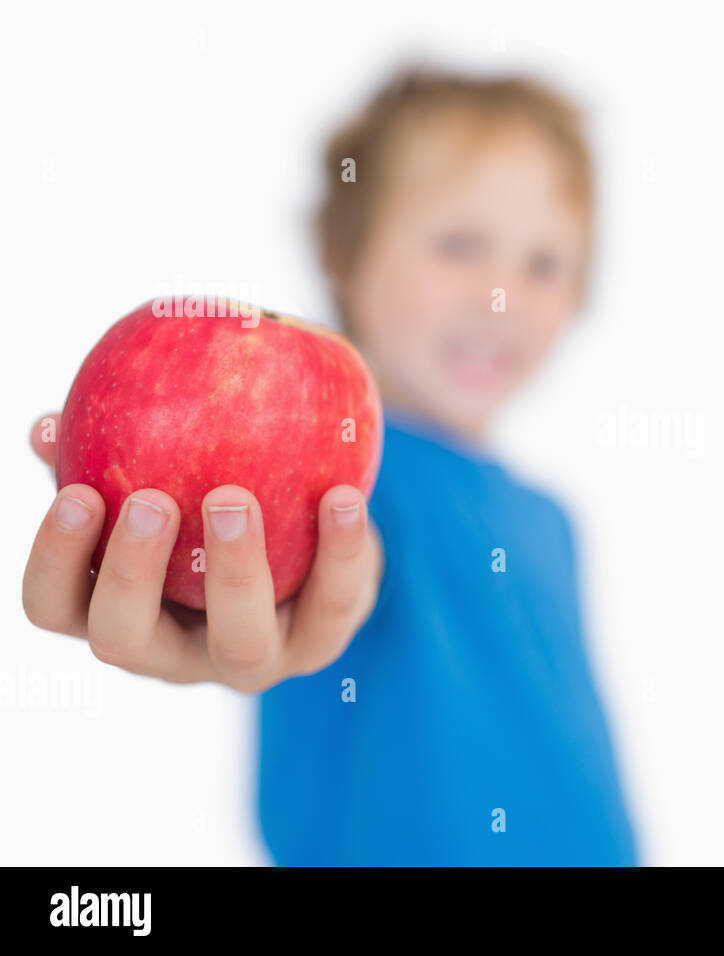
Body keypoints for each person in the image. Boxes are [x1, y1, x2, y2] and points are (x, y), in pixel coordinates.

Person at [22, 65, 638, 865]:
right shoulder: (349, 482)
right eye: (459, 244)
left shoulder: (552, 518)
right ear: (342, 258)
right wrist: (206, 597)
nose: (503, 295)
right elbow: (348, 564)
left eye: (545, 265)